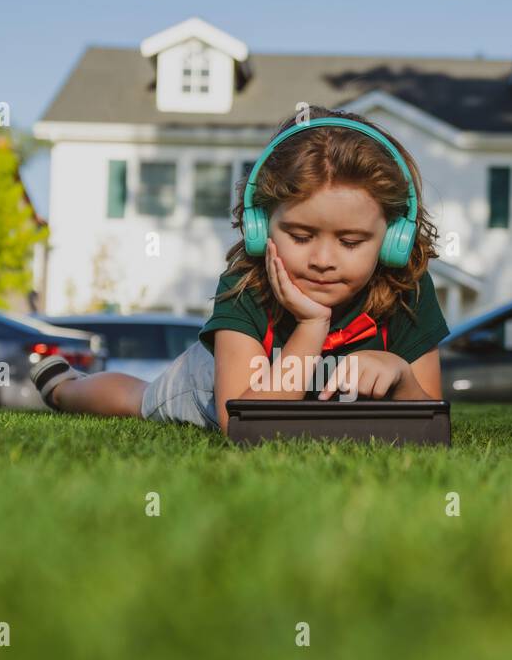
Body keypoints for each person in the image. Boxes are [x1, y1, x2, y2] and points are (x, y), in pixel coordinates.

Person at [32, 105, 451, 435]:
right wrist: (311, 327)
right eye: (301, 236)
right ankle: (65, 387)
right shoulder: (245, 284)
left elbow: (432, 423)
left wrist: (401, 380)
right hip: (213, 389)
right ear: (258, 227)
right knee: (138, 400)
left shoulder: (407, 287)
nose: (323, 260)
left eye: (350, 242)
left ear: (394, 238)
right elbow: (243, 422)